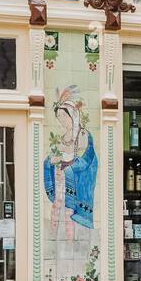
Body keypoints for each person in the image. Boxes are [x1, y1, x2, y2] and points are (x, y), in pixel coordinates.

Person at [43, 85, 97, 241]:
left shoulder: (83, 134)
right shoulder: (62, 137)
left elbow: (86, 159)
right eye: (59, 118)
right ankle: (56, 243)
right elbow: (53, 157)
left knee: (69, 213)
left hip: (73, 182)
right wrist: (50, 161)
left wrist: (67, 166)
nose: (61, 120)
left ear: (72, 115)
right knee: (57, 211)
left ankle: (71, 243)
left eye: (63, 116)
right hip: (61, 181)